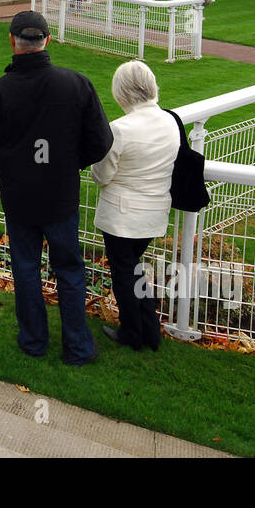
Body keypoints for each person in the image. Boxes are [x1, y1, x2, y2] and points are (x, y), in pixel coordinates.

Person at [0, 10, 112, 366]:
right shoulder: (76, 84)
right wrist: (66, 164)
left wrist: (13, 167)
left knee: (26, 267)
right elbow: (101, 142)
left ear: (12, 42)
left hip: (20, 196)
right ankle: (77, 348)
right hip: (60, 195)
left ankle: (33, 341)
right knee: (68, 268)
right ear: (47, 40)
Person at [90, 61, 179, 351]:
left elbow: (101, 176)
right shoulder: (171, 121)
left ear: (121, 92)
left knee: (124, 273)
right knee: (132, 269)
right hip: (154, 212)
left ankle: (134, 332)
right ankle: (148, 330)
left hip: (122, 216)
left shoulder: (120, 129)